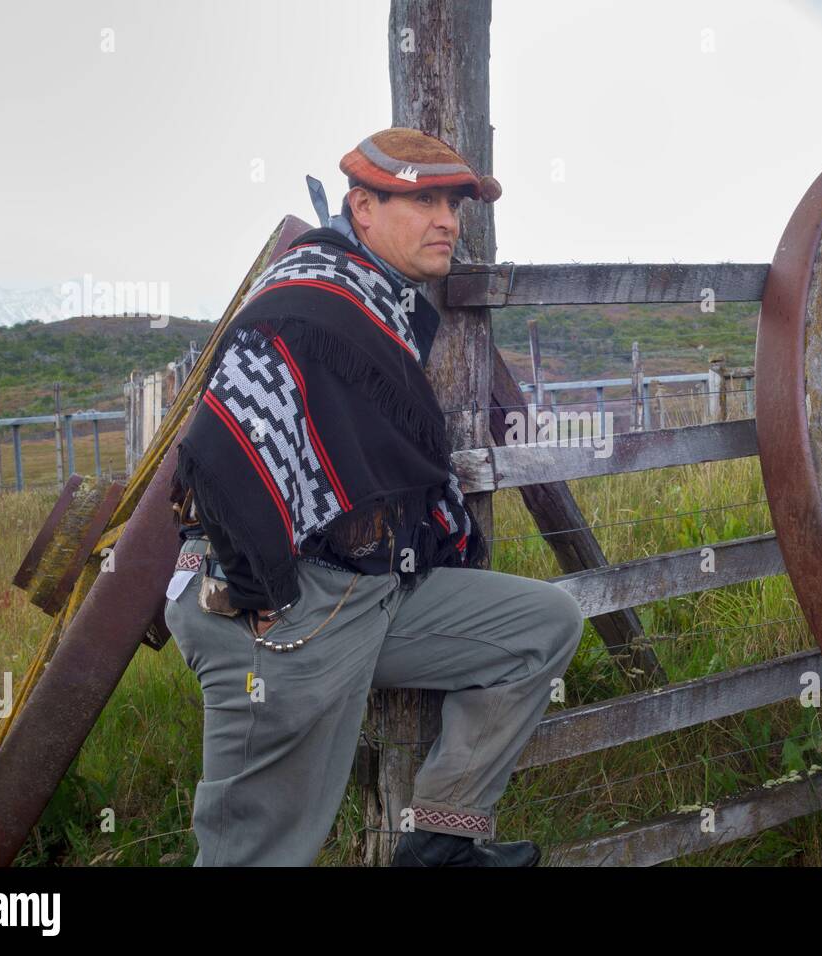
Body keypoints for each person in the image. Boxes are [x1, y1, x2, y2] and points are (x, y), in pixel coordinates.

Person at [163, 127, 585, 867]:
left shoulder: (376, 303)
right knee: (258, 853)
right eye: (423, 200)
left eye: (452, 204)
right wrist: (264, 604)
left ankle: (441, 843)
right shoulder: (310, 301)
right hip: (281, 610)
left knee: (541, 626)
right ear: (362, 207)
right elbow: (224, 452)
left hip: (372, 593)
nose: (448, 220)